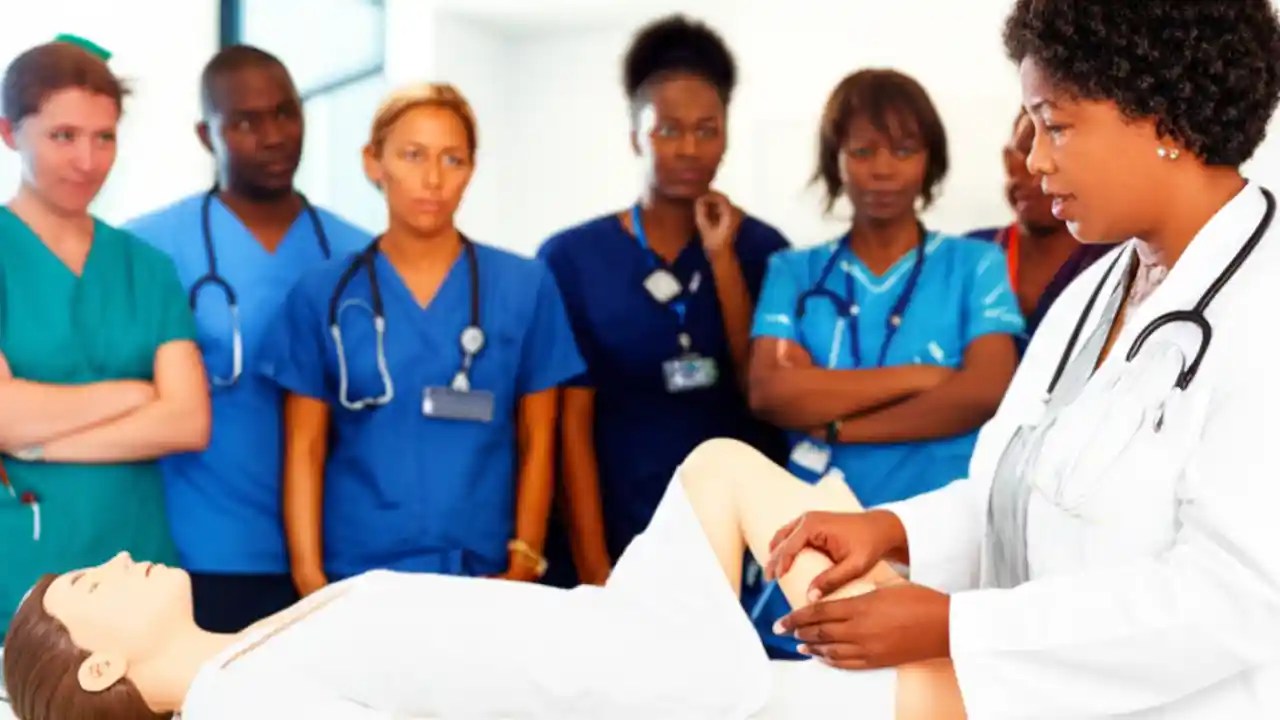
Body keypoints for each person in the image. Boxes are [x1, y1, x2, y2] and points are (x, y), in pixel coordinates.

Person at [763, 0, 1280, 717]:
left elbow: (1234, 601)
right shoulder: (1094, 291)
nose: (1034, 160)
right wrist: (892, 530)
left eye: (1055, 125)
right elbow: (1019, 490)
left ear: (1162, 119)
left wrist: (955, 626)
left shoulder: (1264, 306)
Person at [2, 439, 973, 719]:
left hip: (607, 632)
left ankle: (893, 635)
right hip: (624, 687)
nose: (117, 560)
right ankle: (910, 652)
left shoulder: (246, 659)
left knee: (717, 469)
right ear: (99, 669)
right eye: (92, 586)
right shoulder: (238, 707)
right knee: (962, 688)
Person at [259, 83, 584, 597]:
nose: (433, 179)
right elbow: (305, 447)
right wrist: (310, 577)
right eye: (412, 155)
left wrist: (525, 556)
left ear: (470, 170)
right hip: (356, 578)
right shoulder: (322, 294)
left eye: (453, 159)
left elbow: (539, 436)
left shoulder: (525, 287)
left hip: (485, 575)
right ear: (373, 162)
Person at [121, 46, 370, 634]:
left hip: (332, 551)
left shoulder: (359, 254)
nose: (274, 136)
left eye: (285, 113)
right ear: (205, 135)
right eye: (245, 122)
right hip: (196, 549)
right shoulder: (147, 247)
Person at [537, 14, 790, 588]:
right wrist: (595, 569)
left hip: (740, 542)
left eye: (707, 130)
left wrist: (722, 259)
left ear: (726, 136)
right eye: (668, 130)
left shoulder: (764, 251)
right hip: (616, 526)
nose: (689, 149)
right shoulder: (571, 258)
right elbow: (567, 427)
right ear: (635, 135)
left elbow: (763, 392)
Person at [0, 38, 210, 637]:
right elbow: (4, 417)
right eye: (63, 136)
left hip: (137, 566)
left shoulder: (147, 266)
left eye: (104, 137)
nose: (88, 160)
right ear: (9, 133)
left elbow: (188, 422)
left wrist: (36, 446)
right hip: (20, 567)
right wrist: (135, 393)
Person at [750, 68, 1024, 508]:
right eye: (862, 151)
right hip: (818, 516)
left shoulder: (975, 264)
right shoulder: (793, 271)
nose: (882, 169)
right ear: (835, 160)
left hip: (939, 518)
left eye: (904, 150)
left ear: (929, 160)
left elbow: (984, 393)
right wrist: (921, 377)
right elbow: (770, 394)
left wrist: (838, 425)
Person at [968, 109, 1115, 353]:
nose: (1035, 168)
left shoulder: (1118, 262)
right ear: (1007, 159)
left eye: (1059, 148)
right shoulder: (967, 257)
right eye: (1024, 151)